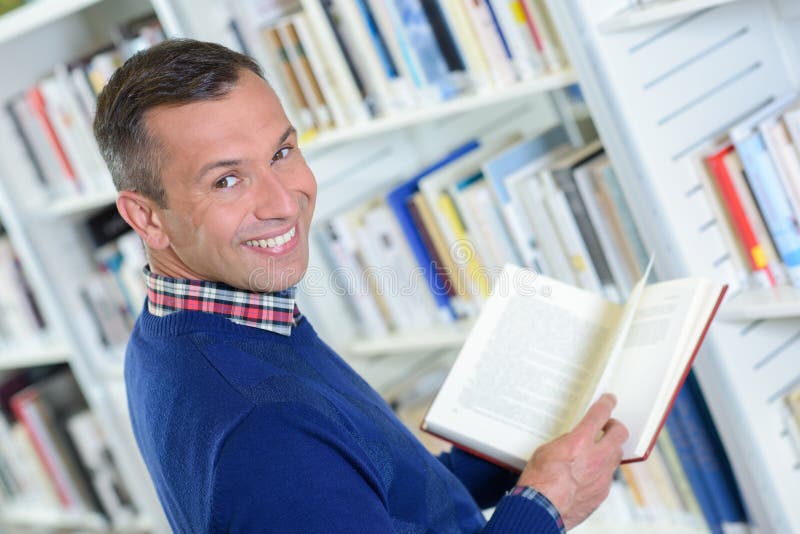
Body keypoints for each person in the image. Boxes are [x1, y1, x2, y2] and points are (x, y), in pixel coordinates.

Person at [94, 38, 628, 533]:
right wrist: (545, 506)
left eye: (281, 153)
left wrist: (503, 452)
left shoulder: (182, 331)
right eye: (227, 180)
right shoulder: (260, 423)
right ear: (146, 218)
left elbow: (361, 502)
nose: (284, 202)